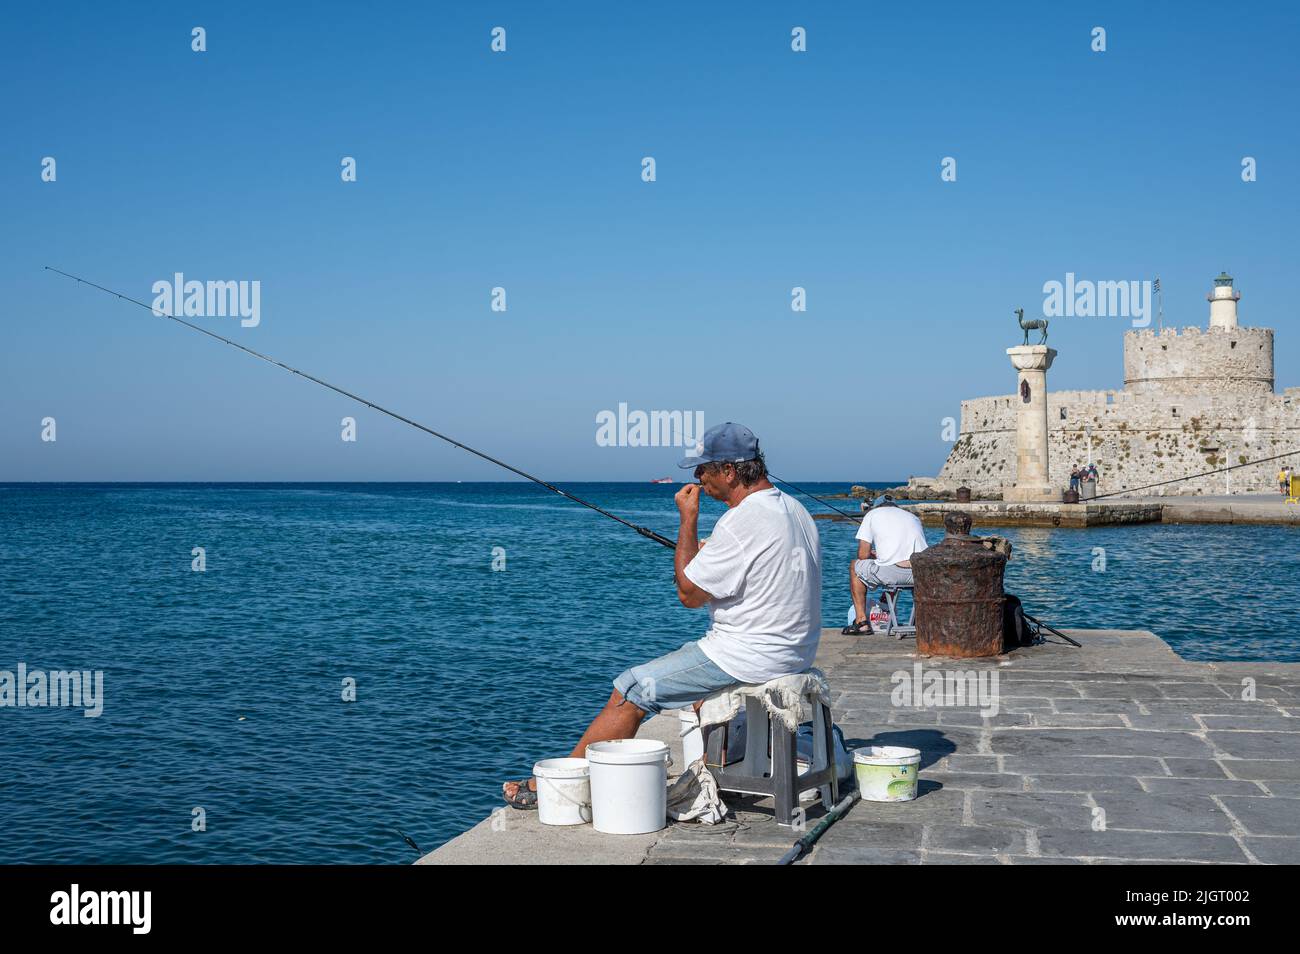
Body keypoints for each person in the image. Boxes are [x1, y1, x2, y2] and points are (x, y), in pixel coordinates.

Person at [501, 422, 822, 808]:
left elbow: (688, 595)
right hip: (794, 650)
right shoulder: (796, 510)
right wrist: (712, 552)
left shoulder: (741, 520)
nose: (697, 478)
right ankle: (724, 767)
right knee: (691, 688)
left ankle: (564, 785)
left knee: (630, 690)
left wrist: (687, 518)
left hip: (750, 655)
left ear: (730, 471)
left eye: (702, 469)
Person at [844, 494, 928, 635]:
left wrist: (873, 554)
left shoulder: (871, 515)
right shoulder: (912, 517)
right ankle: (918, 620)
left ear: (876, 507)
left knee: (855, 566)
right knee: (888, 564)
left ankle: (861, 622)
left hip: (894, 573)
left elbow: (862, 555)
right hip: (920, 573)